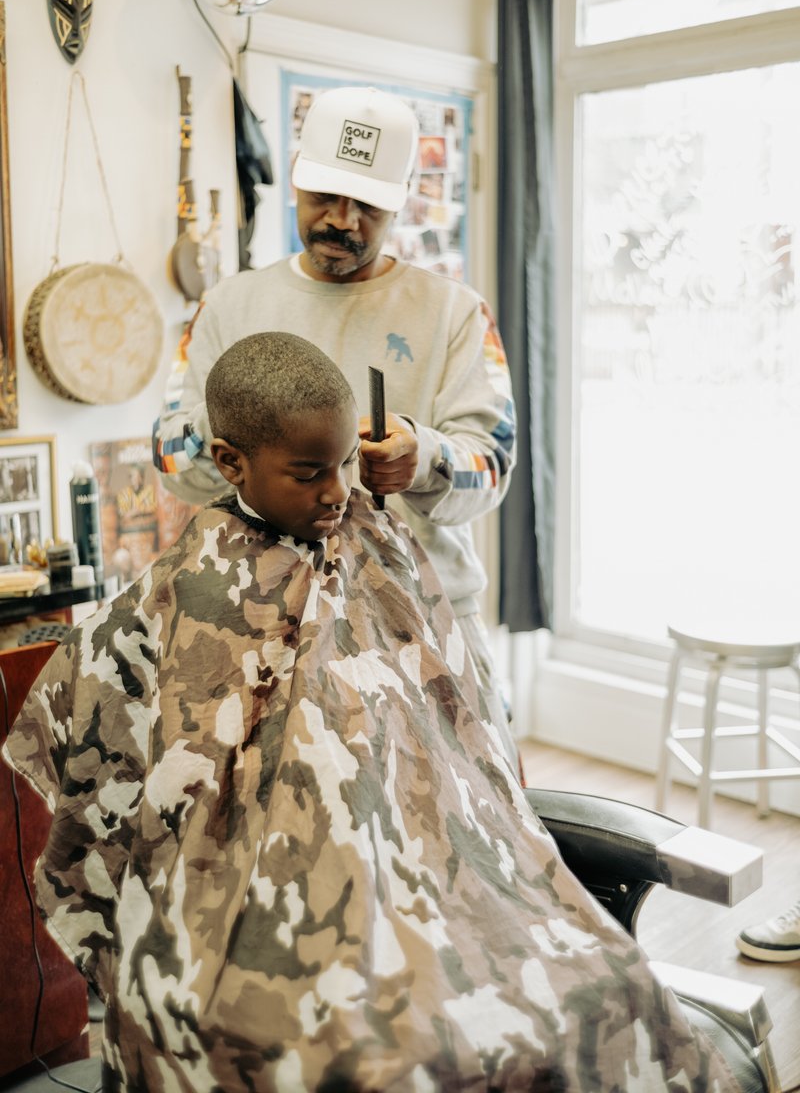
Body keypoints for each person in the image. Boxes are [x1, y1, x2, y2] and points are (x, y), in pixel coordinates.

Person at [5, 333, 741, 1091]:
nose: (336, 492)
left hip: (428, 862)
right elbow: (101, 734)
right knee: (363, 1057)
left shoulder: (375, 539)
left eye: (347, 465)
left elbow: (454, 727)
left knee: (605, 990)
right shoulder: (186, 587)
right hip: (259, 896)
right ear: (229, 463)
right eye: (309, 473)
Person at [152, 83, 518, 768]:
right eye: (325, 196)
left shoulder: (454, 313)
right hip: (260, 627)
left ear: (400, 200)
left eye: (368, 206)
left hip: (423, 624)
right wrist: (241, 424)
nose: (343, 220)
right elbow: (169, 455)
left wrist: (424, 457)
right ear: (296, 177)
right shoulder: (228, 306)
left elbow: (493, 466)